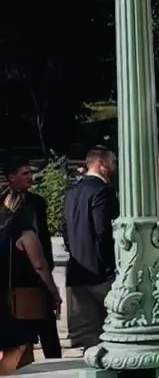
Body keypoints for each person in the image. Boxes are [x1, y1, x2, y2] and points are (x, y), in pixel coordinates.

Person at [1, 157, 62, 363]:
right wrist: (51, 286)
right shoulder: (27, 213)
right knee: (42, 327)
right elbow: (39, 251)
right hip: (27, 275)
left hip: (17, 276)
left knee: (25, 332)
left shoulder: (35, 202)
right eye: (25, 173)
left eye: (30, 172)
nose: (30, 177)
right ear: (11, 177)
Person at [62, 148, 119, 350]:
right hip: (101, 271)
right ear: (101, 164)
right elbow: (103, 231)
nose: (114, 166)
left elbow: (66, 230)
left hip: (77, 270)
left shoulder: (71, 193)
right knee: (112, 329)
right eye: (112, 162)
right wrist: (111, 264)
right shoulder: (103, 191)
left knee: (89, 335)